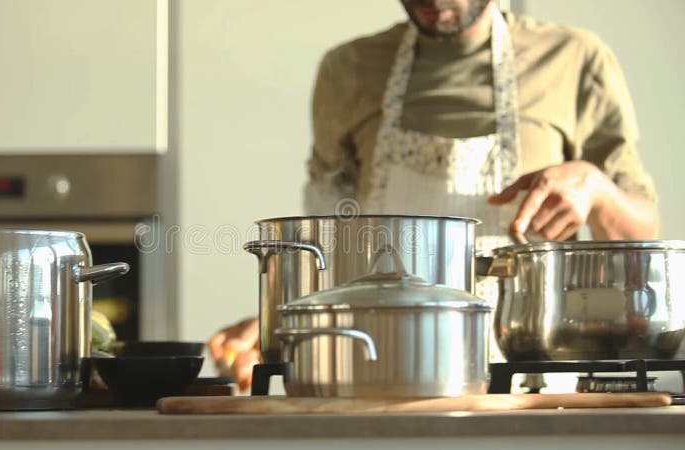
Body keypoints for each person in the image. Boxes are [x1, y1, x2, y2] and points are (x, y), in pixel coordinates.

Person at [209, 0, 659, 391]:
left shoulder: (573, 58)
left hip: (531, 377)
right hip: (378, 369)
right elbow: (333, 244)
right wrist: (285, 321)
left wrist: (596, 188)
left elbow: (642, 231)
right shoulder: (347, 70)